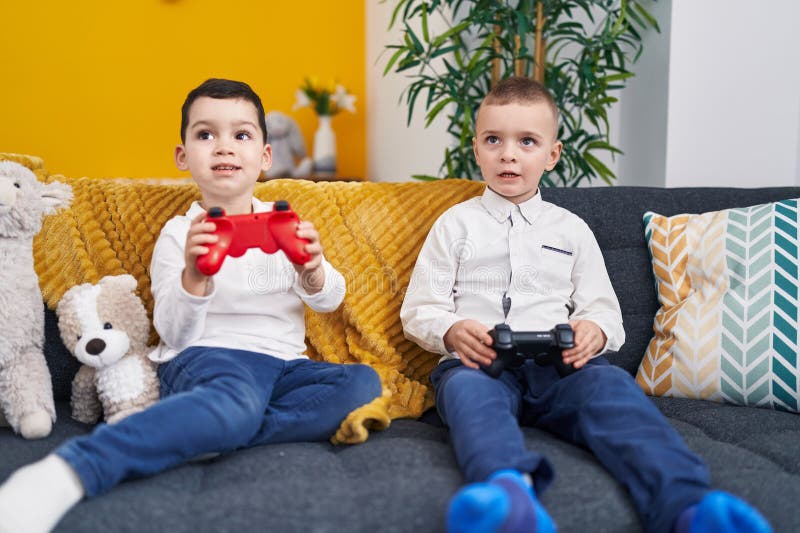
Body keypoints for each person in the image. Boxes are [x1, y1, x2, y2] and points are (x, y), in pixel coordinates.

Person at [0, 78, 382, 533]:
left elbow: (331, 298)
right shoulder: (181, 234)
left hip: (283, 366)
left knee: (361, 383)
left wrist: (313, 268)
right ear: (183, 156)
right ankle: (72, 469)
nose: (224, 147)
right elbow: (174, 332)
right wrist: (195, 275)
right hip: (207, 358)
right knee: (235, 403)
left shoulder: (286, 224)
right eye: (205, 134)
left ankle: (209, 429)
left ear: (265, 157)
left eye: (241, 135)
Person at [400, 76, 772, 533]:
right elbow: (421, 308)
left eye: (527, 141)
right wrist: (452, 330)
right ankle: (508, 494)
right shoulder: (453, 226)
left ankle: (689, 505)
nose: (508, 154)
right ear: (476, 149)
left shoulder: (571, 229)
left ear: (551, 155)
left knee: (612, 391)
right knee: (466, 395)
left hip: (562, 367)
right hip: (480, 363)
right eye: (493, 140)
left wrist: (594, 331)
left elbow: (604, 311)